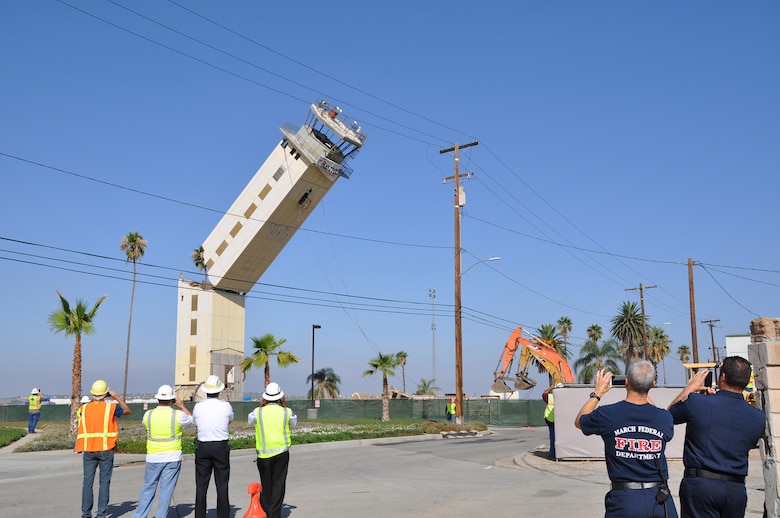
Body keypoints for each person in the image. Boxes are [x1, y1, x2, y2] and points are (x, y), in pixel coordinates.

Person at [575, 361, 677, 518]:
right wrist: (645, 387)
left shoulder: (608, 414)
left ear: (626, 382)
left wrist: (597, 393)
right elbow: (657, 416)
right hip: (658, 499)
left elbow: (580, 421)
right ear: (653, 384)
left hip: (624, 500)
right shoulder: (664, 418)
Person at [668, 356, 765, 518]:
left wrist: (690, 388)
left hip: (701, 486)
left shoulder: (697, 402)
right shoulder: (758, 417)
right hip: (735, 489)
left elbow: (668, 415)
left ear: (723, 376)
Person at [132, 384, 193, 518]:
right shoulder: (177, 415)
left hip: (153, 457)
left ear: (157, 399)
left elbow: (146, 427)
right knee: (166, 490)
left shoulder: (148, 415)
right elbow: (191, 419)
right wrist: (182, 406)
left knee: (148, 488)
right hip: (172, 457)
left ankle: (139, 516)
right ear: (172, 400)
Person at [77, 380, 131, 518]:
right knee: (104, 482)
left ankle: (86, 514)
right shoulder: (110, 408)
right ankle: (101, 514)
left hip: (88, 449)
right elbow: (127, 411)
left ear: (92, 393)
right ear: (106, 394)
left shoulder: (84, 409)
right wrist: (117, 398)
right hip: (106, 449)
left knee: (87, 482)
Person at [249, 382, 297, 518]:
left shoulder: (257, 412)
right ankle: (274, 514)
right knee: (278, 485)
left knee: (266, 484)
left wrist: (261, 405)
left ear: (265, 397)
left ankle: (265, 511)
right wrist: (284, 405)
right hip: (281, 453)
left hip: (263, 455)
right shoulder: (286, 411)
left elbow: (250, 421)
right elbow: (294, 422)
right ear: (280, 397)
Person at [192, 375, 234, 518]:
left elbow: (195, 422)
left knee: (201, 485)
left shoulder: (198, 406)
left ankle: (200, 515)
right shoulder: (225, 405)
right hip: (220, 446)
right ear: (219, 390)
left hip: (203, 446)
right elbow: (230, 420)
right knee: (222, 484)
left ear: (205, 391)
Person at [542, 386, 555, 459]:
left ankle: (552, 453)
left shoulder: (550, 397)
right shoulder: (563, 397)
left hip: (550, 420)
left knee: (552, 437)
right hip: (558, 420)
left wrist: (550, 388)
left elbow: (544, 394)